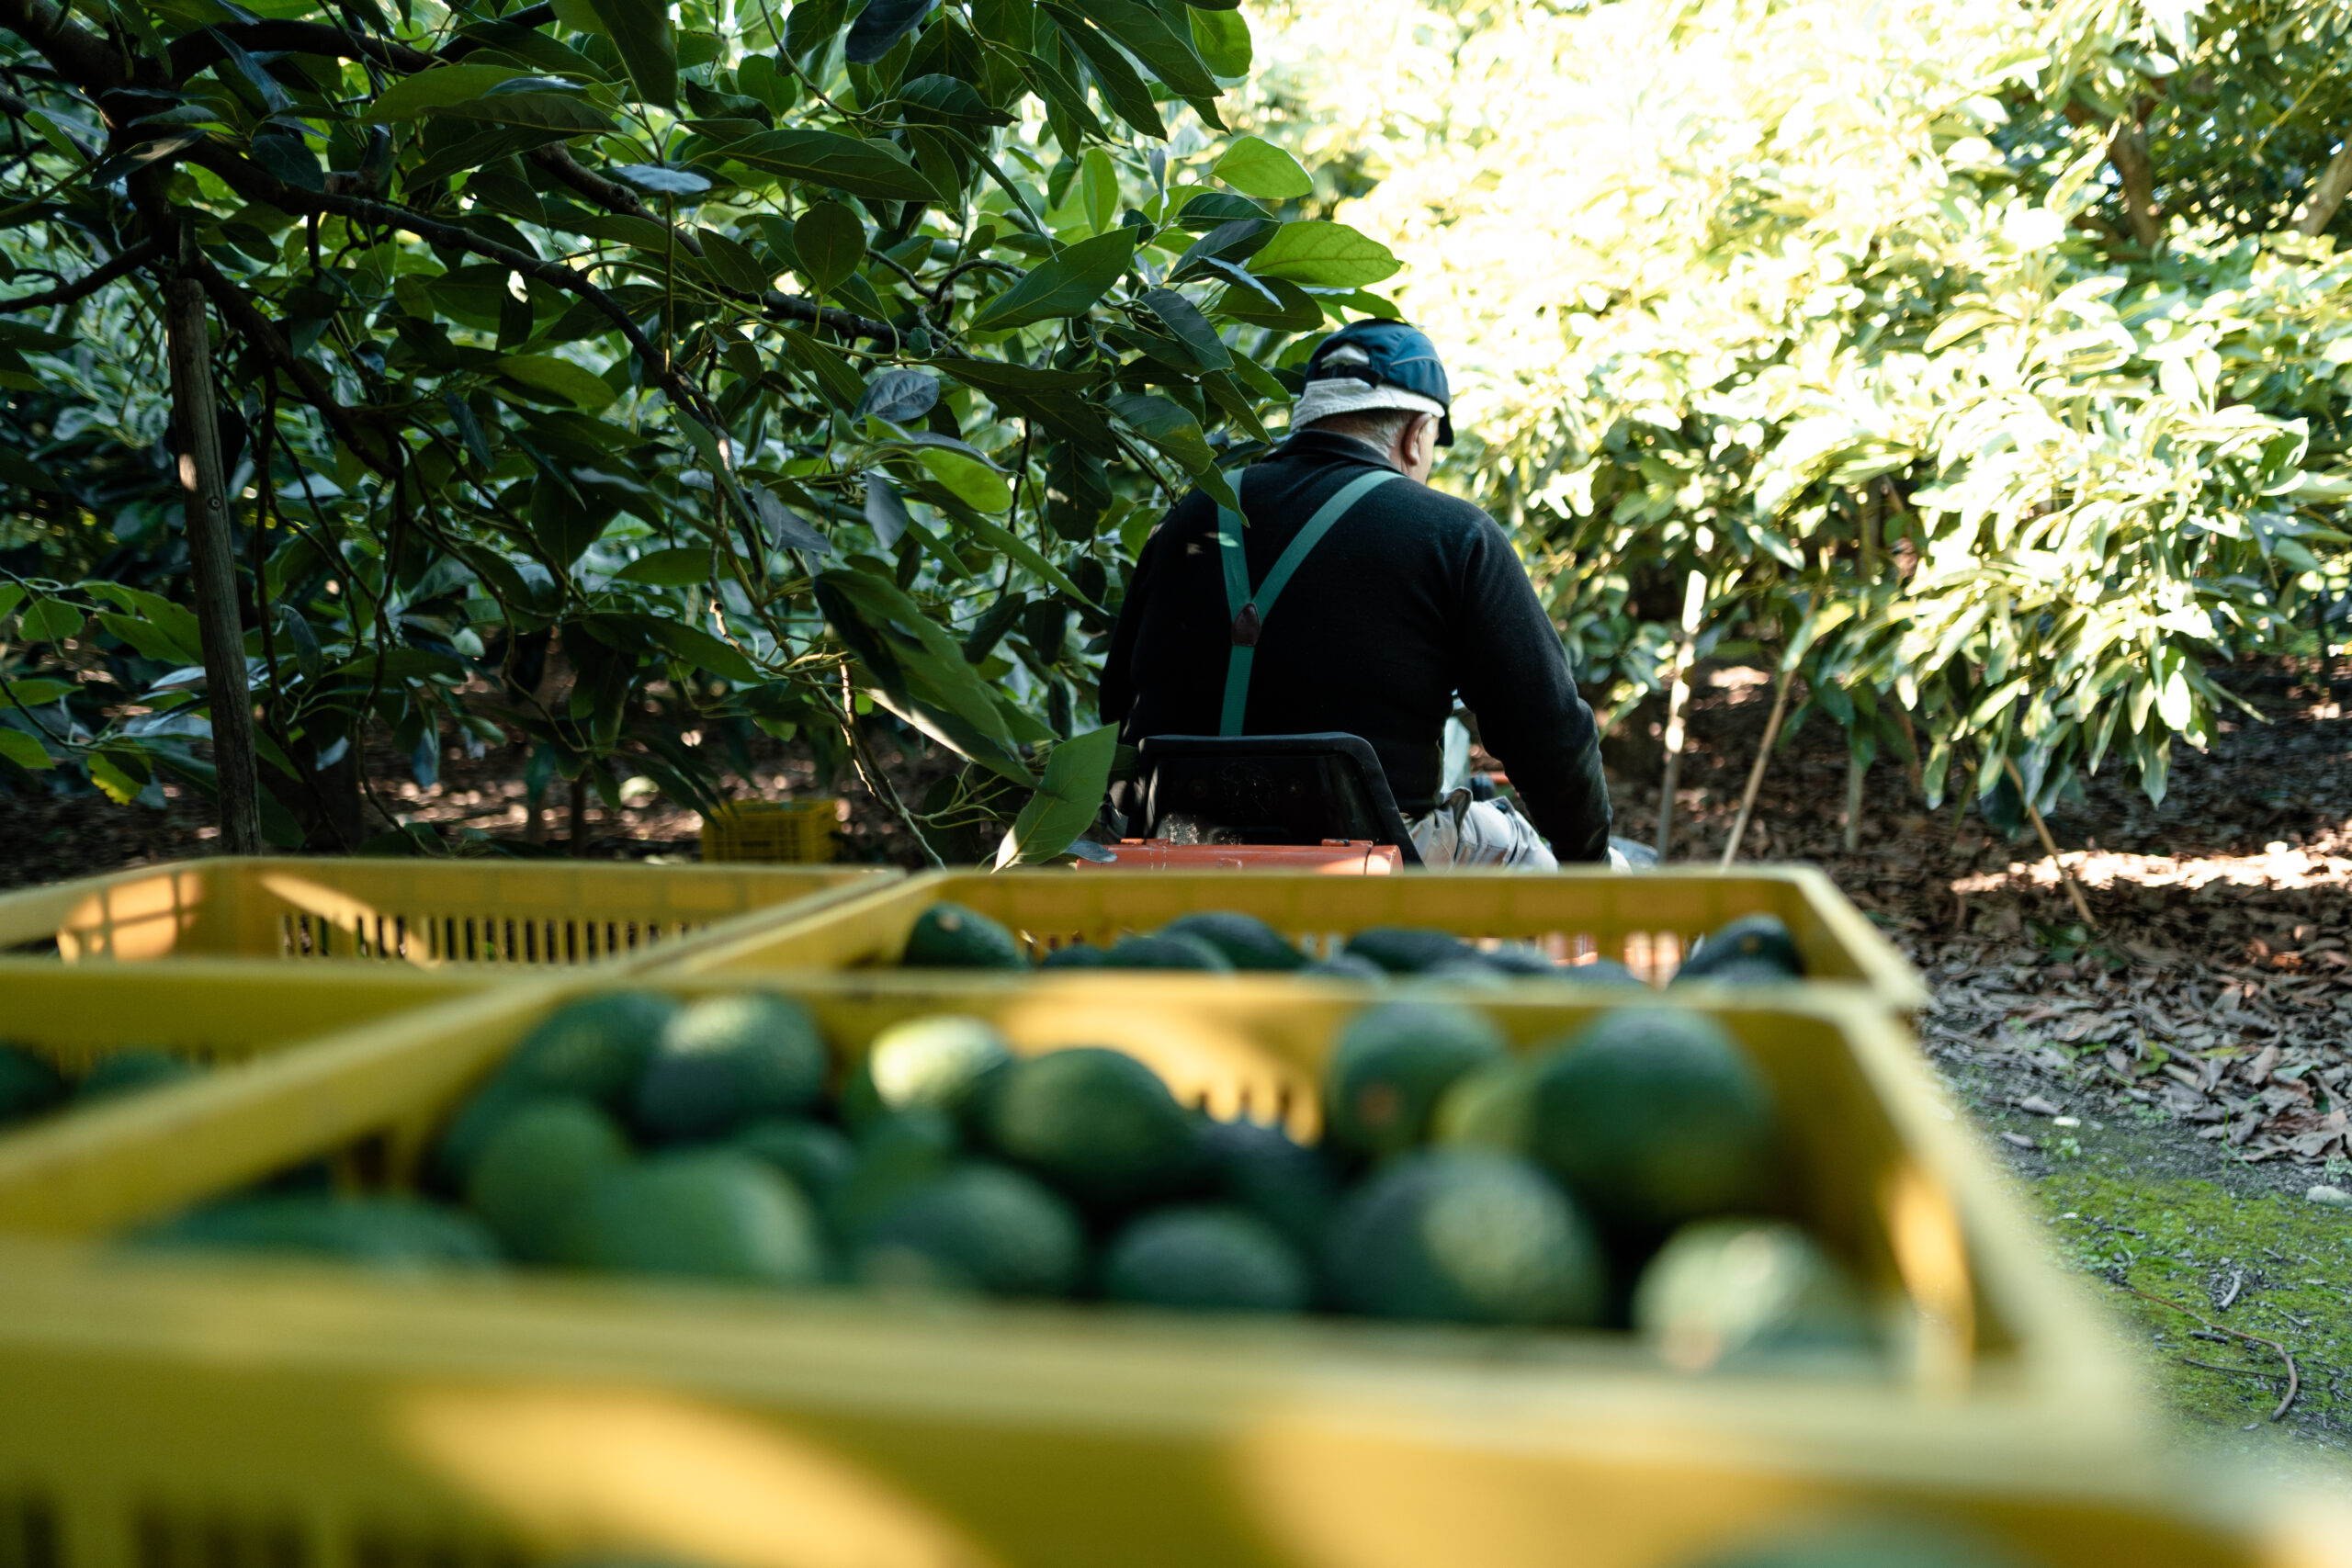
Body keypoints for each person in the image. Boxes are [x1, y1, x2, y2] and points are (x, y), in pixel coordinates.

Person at [1099, 319, 1613, 866]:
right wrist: (1589, 856)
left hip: (1171, 852)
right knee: (1522, 851)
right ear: (1416, 433)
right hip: (1367, 863)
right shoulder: (1453, 534)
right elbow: (1549, 734)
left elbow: (1116, 702)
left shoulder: (1190, 518)